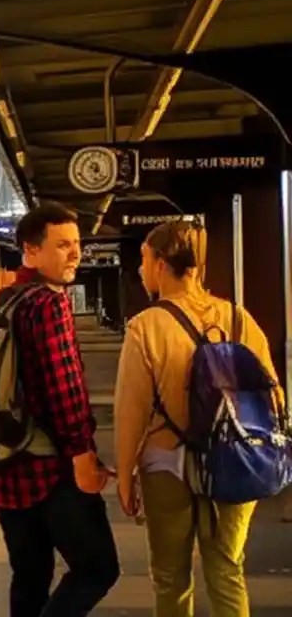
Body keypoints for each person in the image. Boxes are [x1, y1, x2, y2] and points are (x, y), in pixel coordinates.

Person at [113, 220, 281, 616]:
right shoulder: (240, 319)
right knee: (226, 569)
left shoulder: (145, 327)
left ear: (157, 264)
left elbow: (131, 411)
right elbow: (274, 397)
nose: (141, 270)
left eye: (142, 260)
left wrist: (124, 476)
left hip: (165, 465)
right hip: (236, 462)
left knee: (171, 577)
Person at [0, 201, 120, 617]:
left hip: (2, 468)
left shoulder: (2, 298)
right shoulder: (49, 305)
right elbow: (64, 391)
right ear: (30, 251)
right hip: (49, 471)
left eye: (76, 243)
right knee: (97, 568)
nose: (75, 253)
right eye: (62, 245)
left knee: (30, 575)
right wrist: (83, 456)